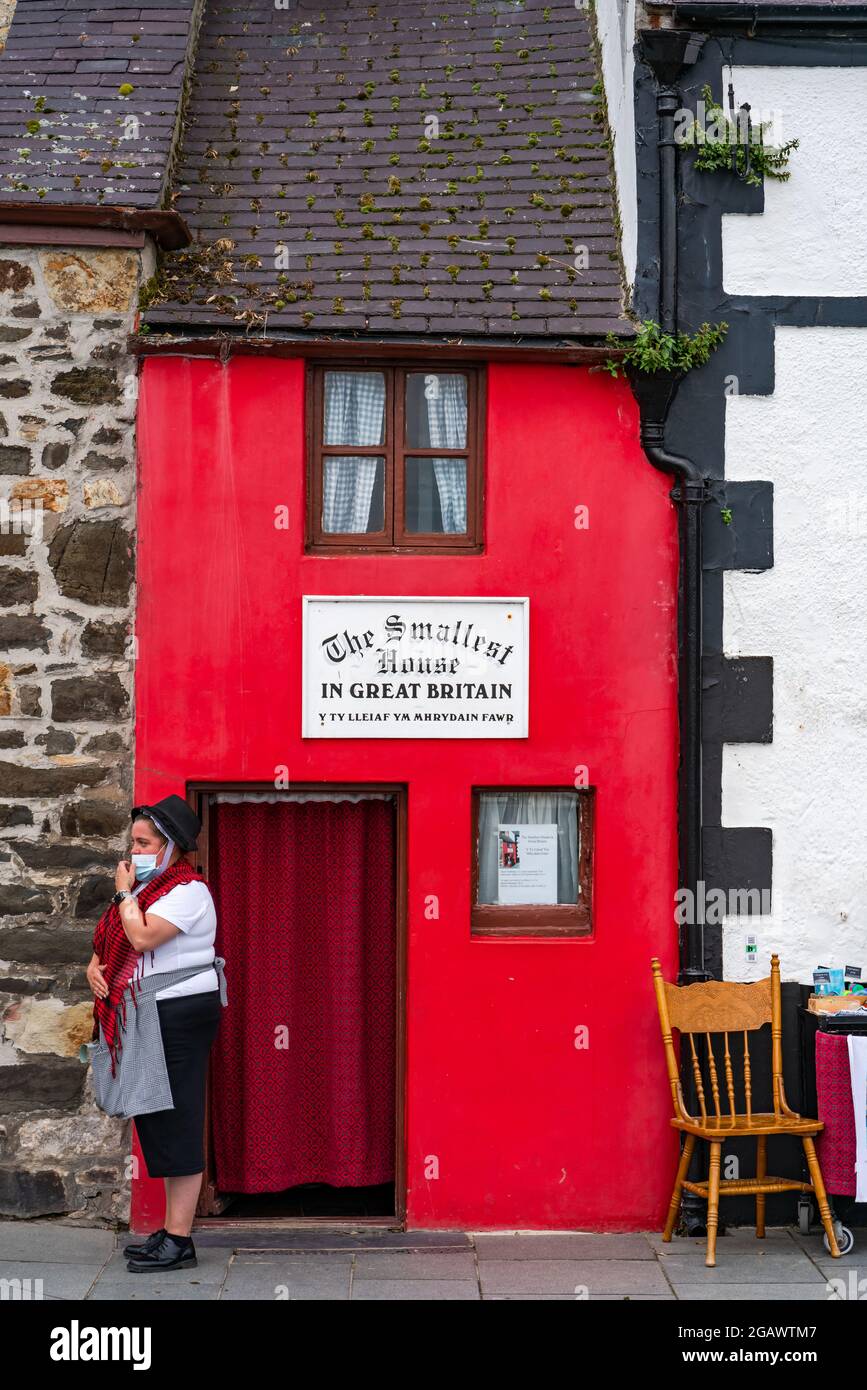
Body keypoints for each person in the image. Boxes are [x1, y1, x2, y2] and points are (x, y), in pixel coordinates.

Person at [86, 793, 223, 1273]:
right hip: (149, 1011)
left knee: (178, 1115)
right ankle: (169, 1231)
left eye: (144, 843)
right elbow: (111, 940)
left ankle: (180, 1241)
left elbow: (141, 936)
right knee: (157, 1115)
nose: (134, 853)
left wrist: (125, 894)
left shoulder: (188, 892)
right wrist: (93, 969)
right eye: (134, 843)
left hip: (180, 1012)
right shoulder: (150, 891)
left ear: (170, 848)